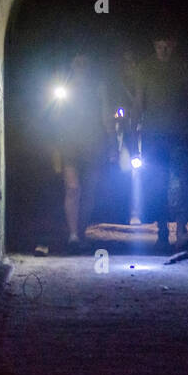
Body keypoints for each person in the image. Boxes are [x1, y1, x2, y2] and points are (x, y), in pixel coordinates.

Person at [134, 25, 188, 252]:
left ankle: (180, 231)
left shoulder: (183, 66)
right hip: (154, 134)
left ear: (174, 44)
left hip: (179, 133)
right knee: (158, 184)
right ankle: (162, 232)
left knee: (181, 182)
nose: (164, 50)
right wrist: (136, 133)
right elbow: (139, 103)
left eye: (167, 46)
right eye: (159, 46)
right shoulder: (144, 68)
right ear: (154, 45)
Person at [48, 51, 114, 252]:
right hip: (70, 144)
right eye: (77, 62)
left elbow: (106, 116)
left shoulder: (99, 88)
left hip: (93, 143)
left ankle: (81, 231)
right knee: (73, 188)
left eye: (84, 62)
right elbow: (56, 118)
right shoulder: (65, 88)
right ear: (72, 64)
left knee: (89, 191)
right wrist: (55, 147)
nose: (81, 67)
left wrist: (113, 144)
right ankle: (73, 235)